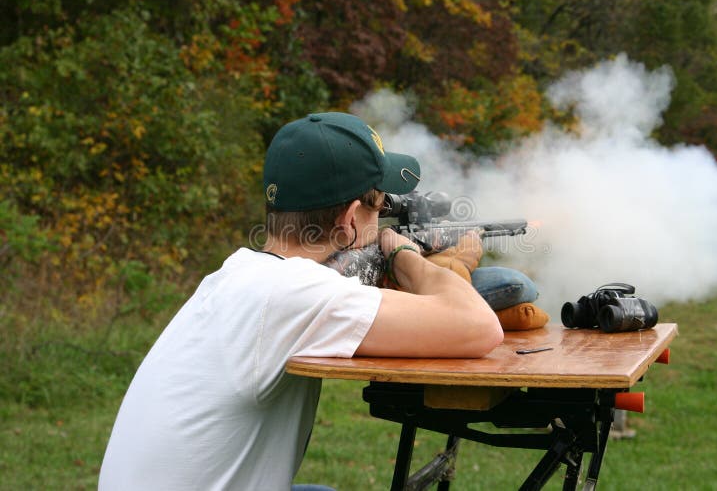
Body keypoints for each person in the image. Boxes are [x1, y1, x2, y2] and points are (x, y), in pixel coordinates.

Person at [99, 112, 504, 490]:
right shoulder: (296, 292)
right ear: (348, 220)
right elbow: (480, 327)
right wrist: (403, 255)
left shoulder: (236, 275)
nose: (382, 219)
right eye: (380, 206)